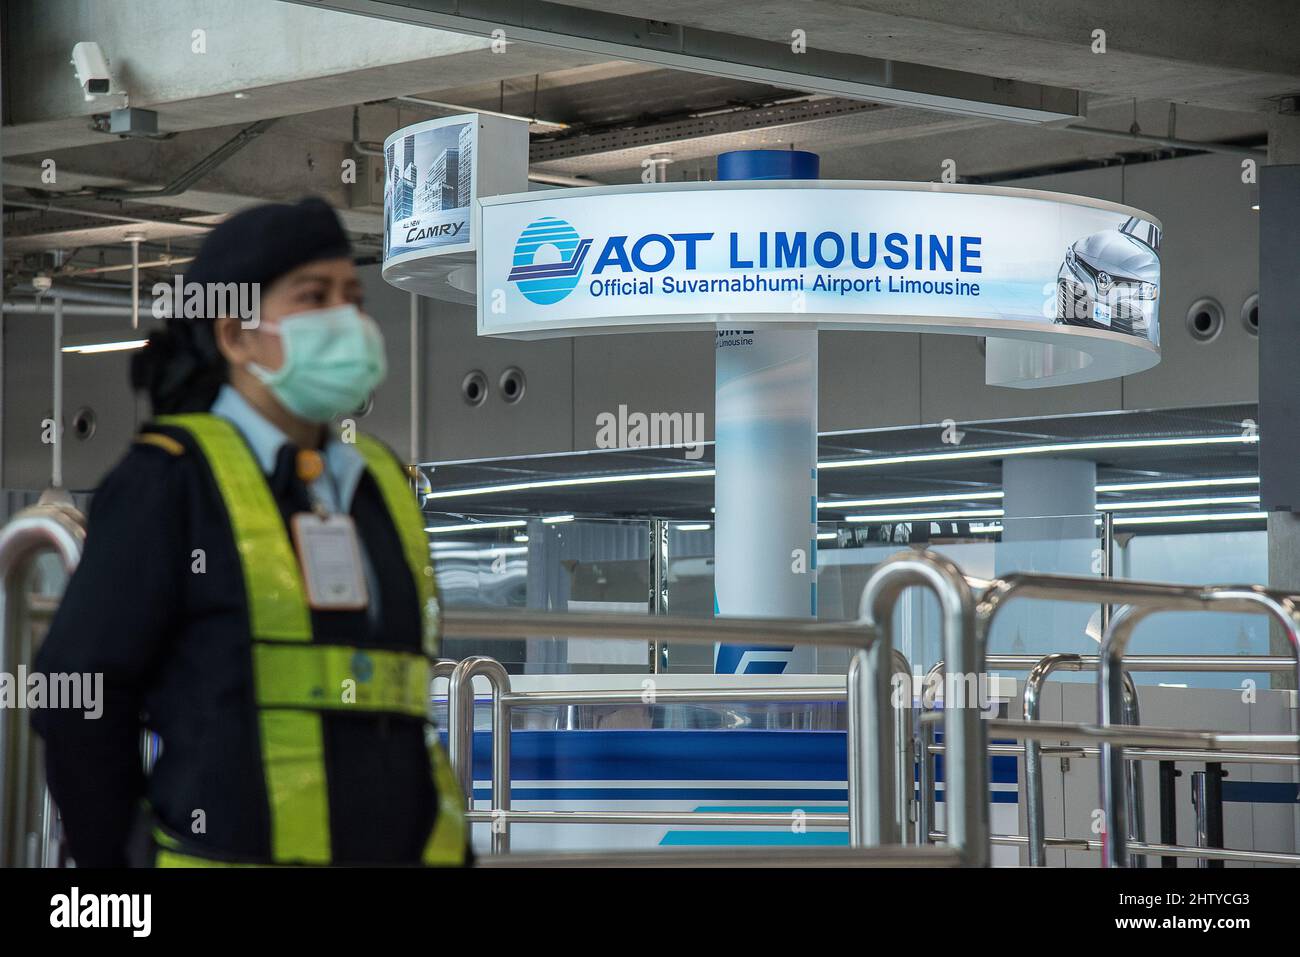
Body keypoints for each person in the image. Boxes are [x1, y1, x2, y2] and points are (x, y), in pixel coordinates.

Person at [32, 197, 468, 867]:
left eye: (352, 297)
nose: (347, 319)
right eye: (313, 297)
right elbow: (79, 688)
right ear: (236, 334)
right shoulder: (169, 481)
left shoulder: (379, 480)